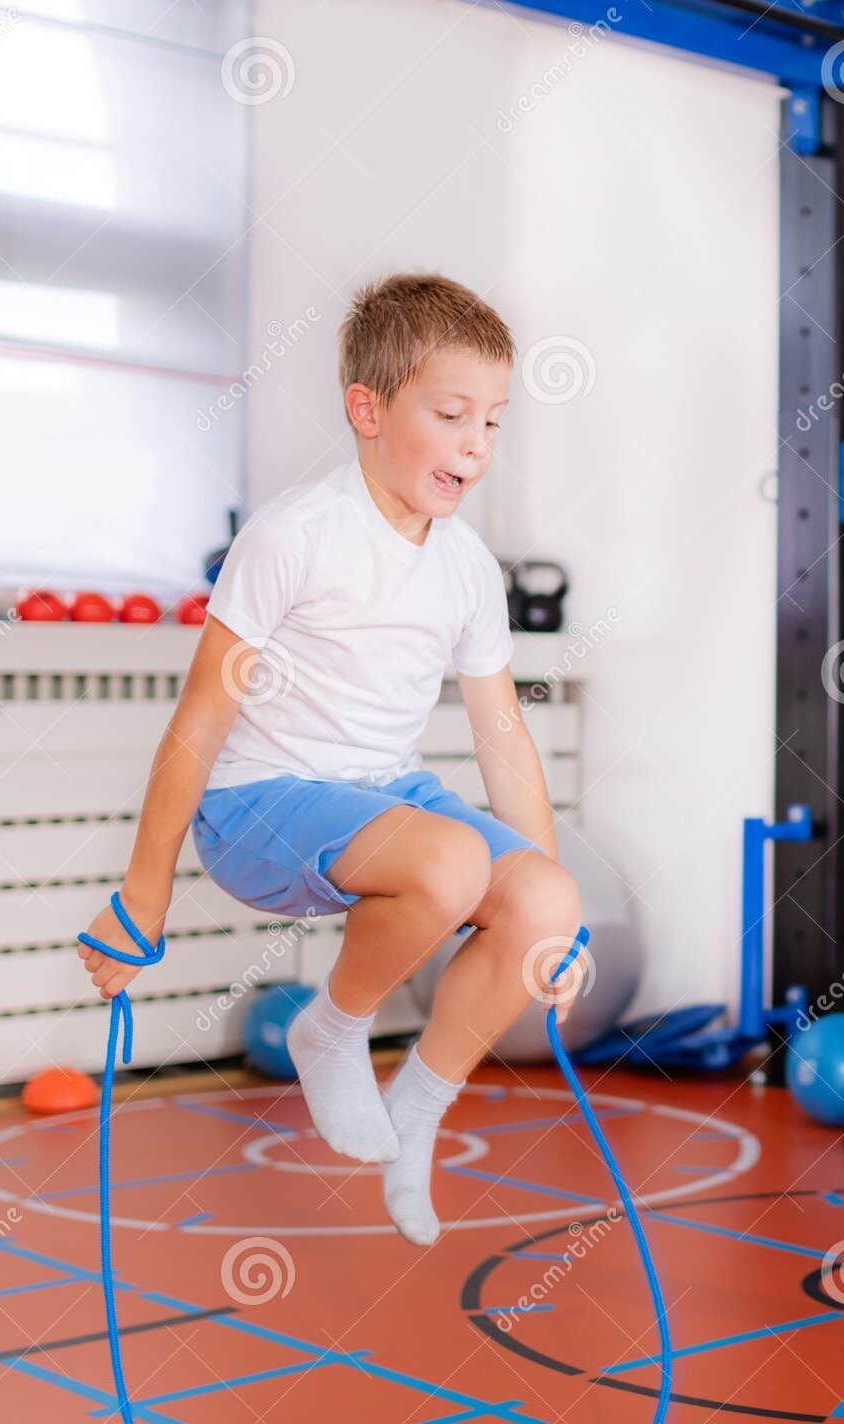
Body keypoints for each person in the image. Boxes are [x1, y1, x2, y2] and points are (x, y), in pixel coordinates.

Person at [78, 273, 584, 1248]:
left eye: (493, 420)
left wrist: (547, 926)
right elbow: (195, 723)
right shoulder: (292, 536)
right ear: (368, 408)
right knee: (449, 860)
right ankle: (334, 1027)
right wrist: (146, 893)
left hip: (382, 801)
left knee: (548, 901)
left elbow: (501, 735)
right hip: (256, 806)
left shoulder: (467, 566)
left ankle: (417, 1123)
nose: (477, 443)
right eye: (450, 414)